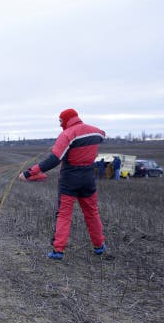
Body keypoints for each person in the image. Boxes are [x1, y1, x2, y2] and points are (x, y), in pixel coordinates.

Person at [19, 108, 107, 260]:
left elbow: (54, 159)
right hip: (88, 179)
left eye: (61, 121)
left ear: (67, 119)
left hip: (69, 180)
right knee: (92, 212)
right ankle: (99, 246)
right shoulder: (95, 131)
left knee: (64, 215)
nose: (60, 125)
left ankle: (58, 250)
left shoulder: (66, 135)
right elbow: (102, 135)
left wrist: (28, 173)